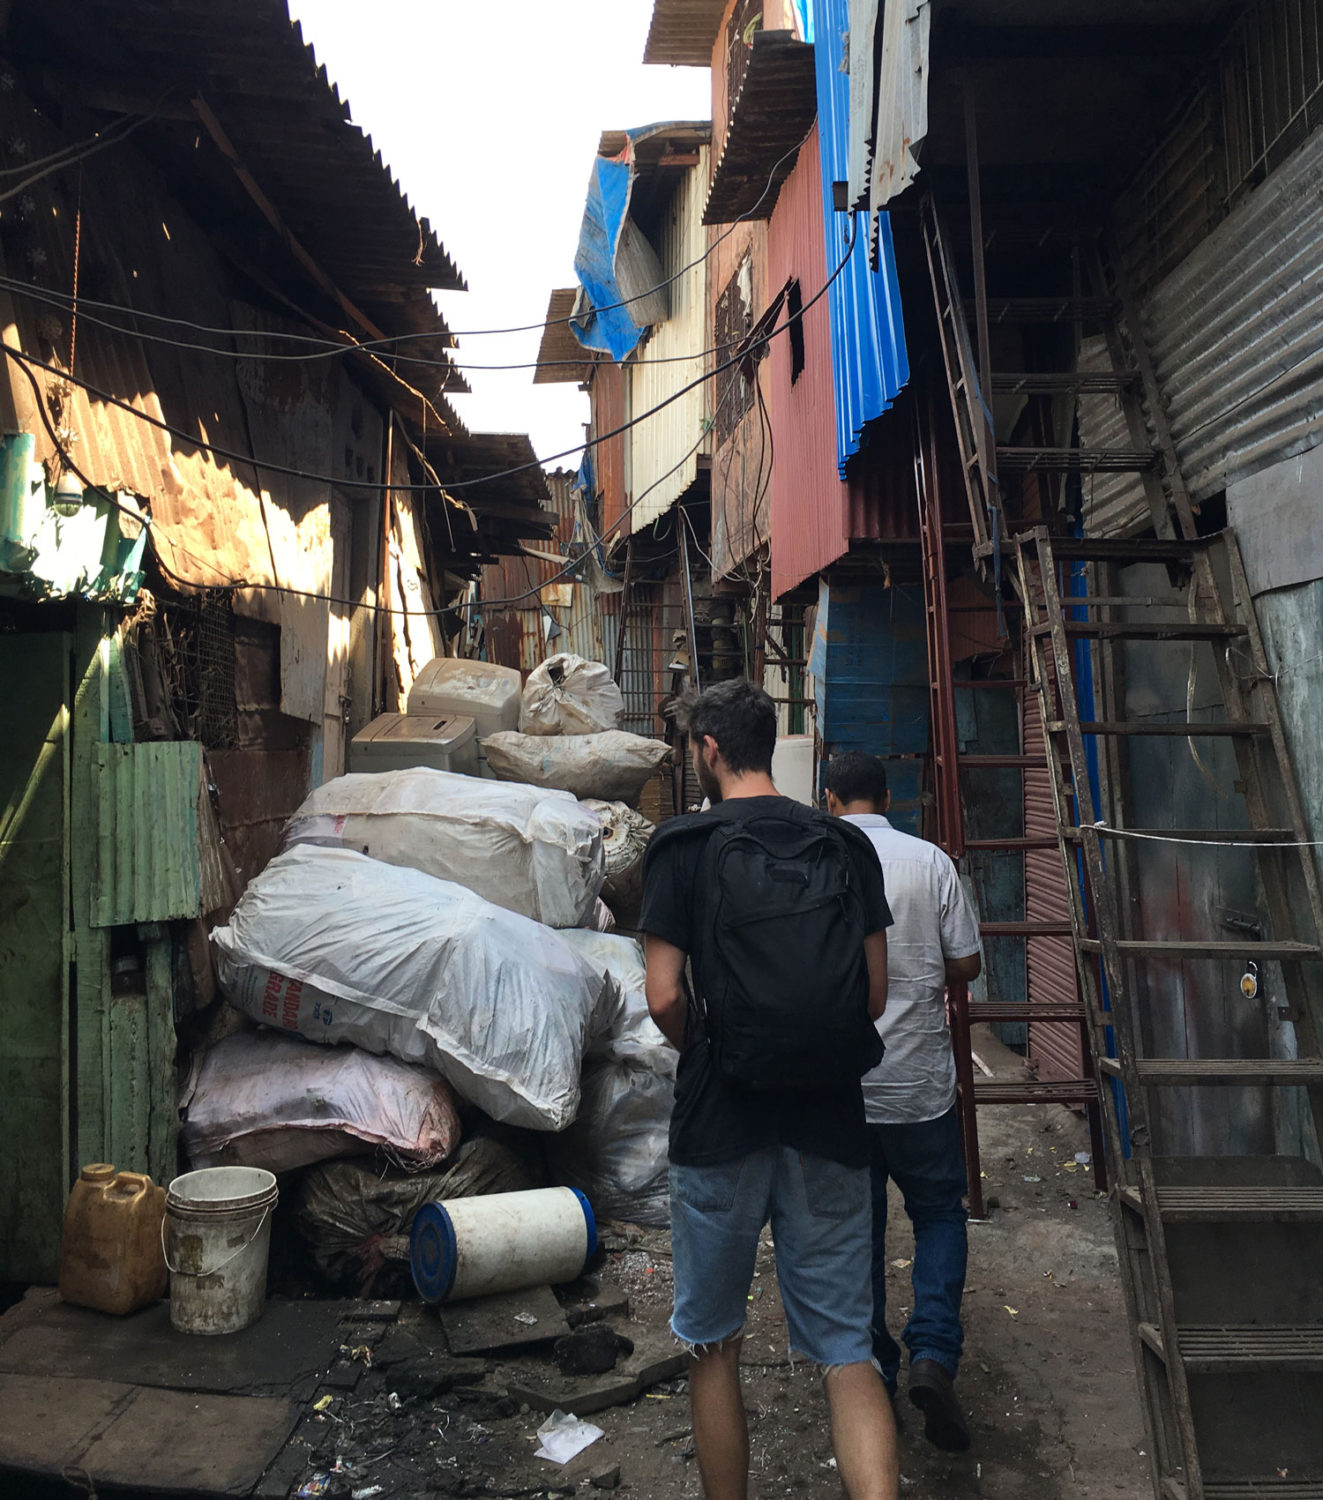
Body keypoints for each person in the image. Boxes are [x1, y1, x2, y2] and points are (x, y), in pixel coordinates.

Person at [640, 678, 899, 1500]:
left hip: (719, 1122)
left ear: (709, 750)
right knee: (847, 1349)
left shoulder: (680, 848)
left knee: (713, 1345)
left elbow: (662, 997)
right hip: (828, 1119)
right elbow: (873, 997)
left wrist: (714, 1050)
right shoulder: (844, 845)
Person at [823, 751, 982, 1453]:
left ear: (830, 800)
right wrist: (921, 965)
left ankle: (875, 1371)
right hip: (920, 1088)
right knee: (939, 1215)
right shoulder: (930, 861)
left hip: (847, 1091)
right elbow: (968, 961)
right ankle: (933, 1353)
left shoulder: (820, 860)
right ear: (887, 798)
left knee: (857, 1230)